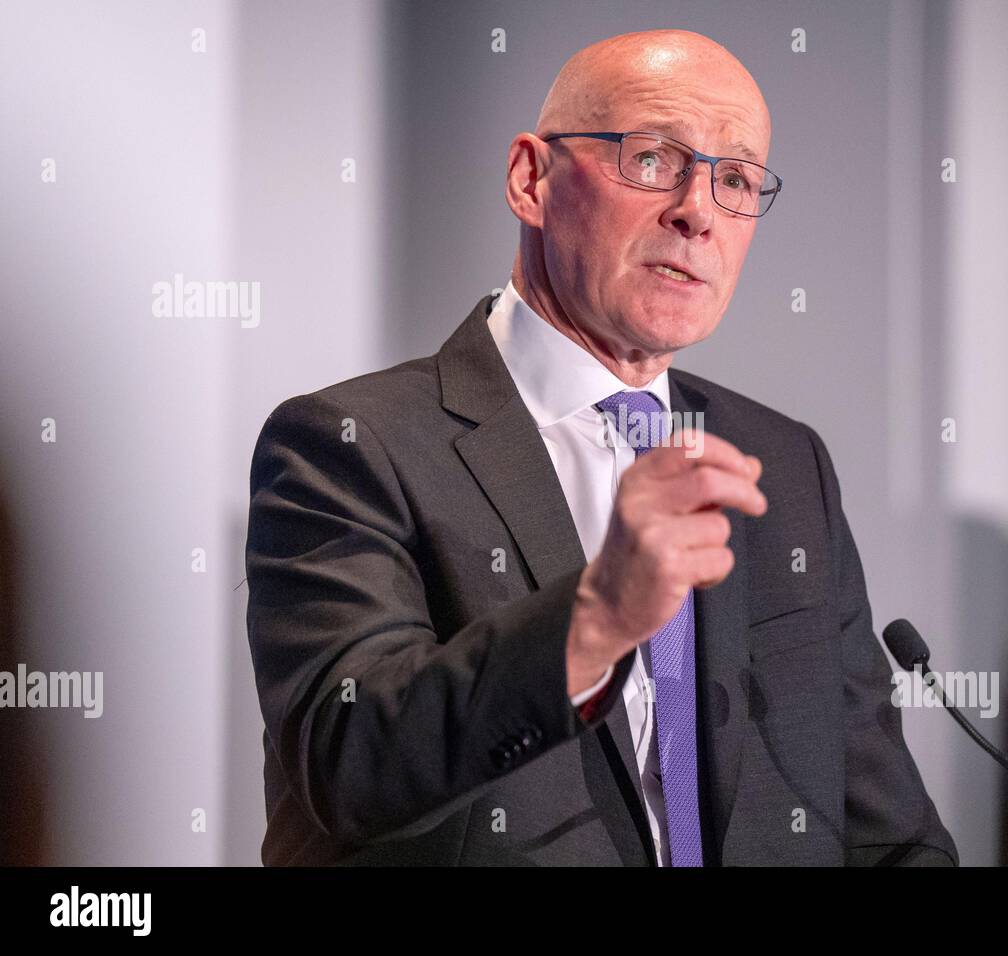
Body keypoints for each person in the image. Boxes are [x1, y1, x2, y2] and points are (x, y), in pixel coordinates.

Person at [245, 28, 957, 866]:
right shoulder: (351, 445)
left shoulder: (785, 462)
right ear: (530, 179)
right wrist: (600, 615)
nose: (698, 212)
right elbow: (348, 764)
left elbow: (888, 833)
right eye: (653, 158)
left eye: (734, 178)